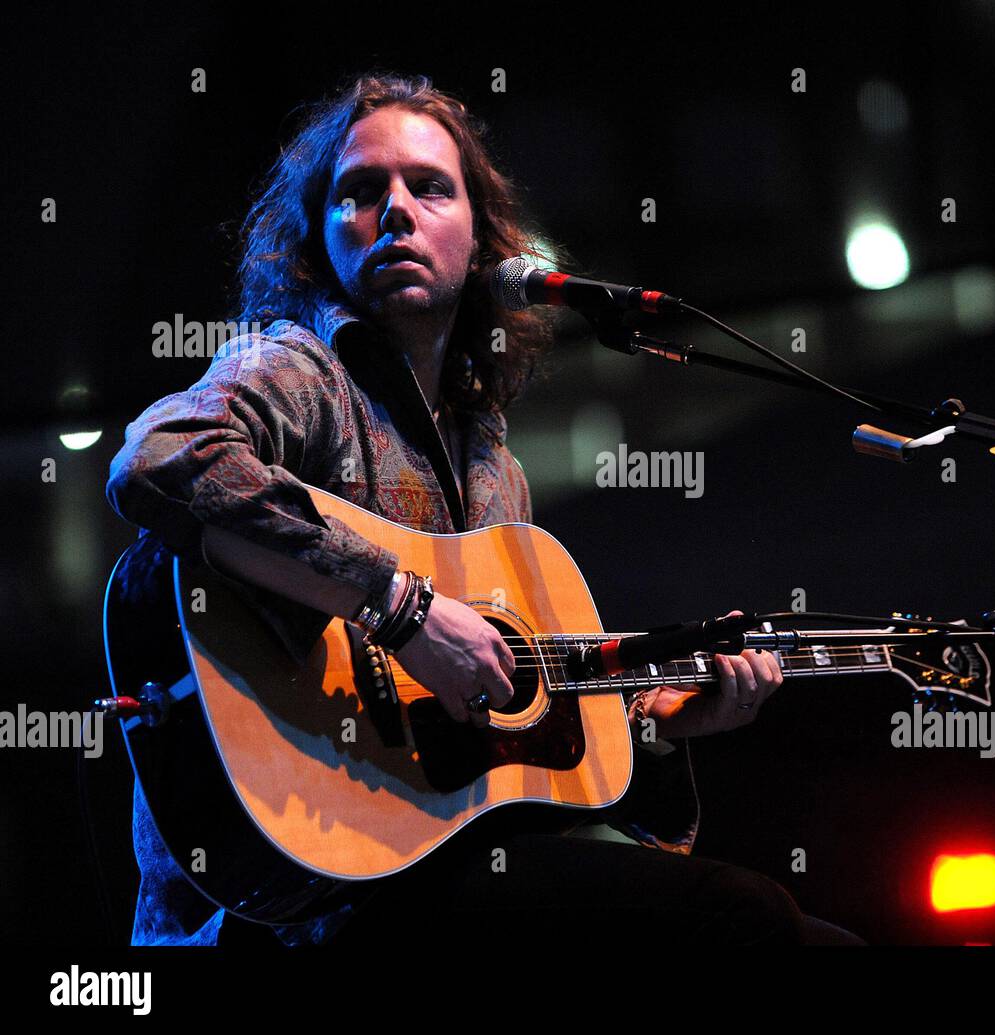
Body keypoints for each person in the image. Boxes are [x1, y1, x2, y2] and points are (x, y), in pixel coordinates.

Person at [106, 72, 863, 947]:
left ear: (482, 242)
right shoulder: (296, 370)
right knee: (740, 914)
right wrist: (403, 608)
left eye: (429, 187)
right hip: (311, 896)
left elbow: (517, 741)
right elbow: (161, 458)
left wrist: (662, 725)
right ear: (318, 235)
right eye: (360, 190)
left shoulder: (493, 465)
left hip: (452, 855)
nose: (395, 210)